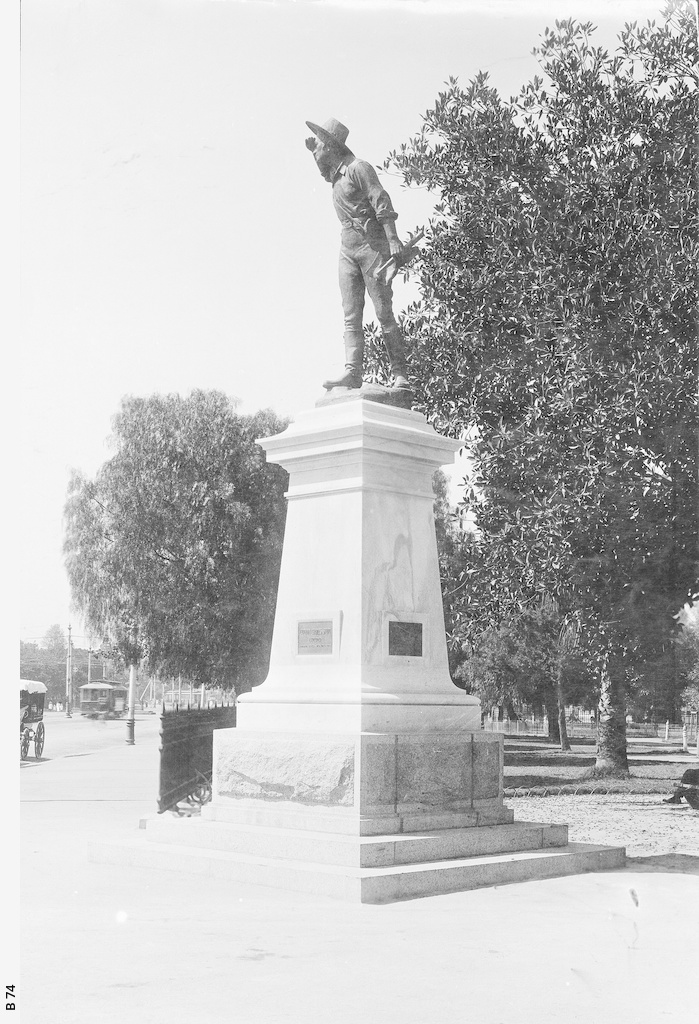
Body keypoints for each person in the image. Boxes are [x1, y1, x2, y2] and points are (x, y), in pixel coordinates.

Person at [305, 117, 411, 392]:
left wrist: (393, 239)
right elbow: (325, 172)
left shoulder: (358, 168)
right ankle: (352, 372)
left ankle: (400, 375)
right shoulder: (336, 175)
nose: (315, 147)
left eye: (319, 143)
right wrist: (314, 154)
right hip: (347, 250)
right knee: (351, 314)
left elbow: (381, 200)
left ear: (330, 146)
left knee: (383, 313)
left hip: (371, 247)